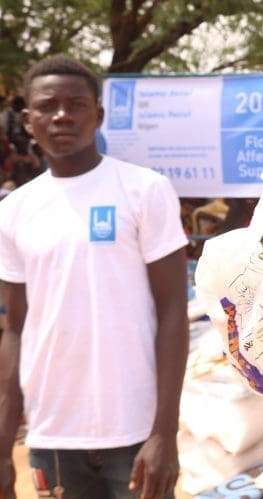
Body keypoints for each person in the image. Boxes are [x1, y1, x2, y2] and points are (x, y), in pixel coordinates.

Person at [0, 54, 189, 499]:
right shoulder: (13, 211)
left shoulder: (145, 190)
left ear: (98, 115)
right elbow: (14, 330)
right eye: (48, 106)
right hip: (53, 436)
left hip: (137, 431)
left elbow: (173, 314)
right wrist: (4, 444)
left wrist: (165, 432)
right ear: (29, 120)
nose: (62, 114)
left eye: (76, 103)